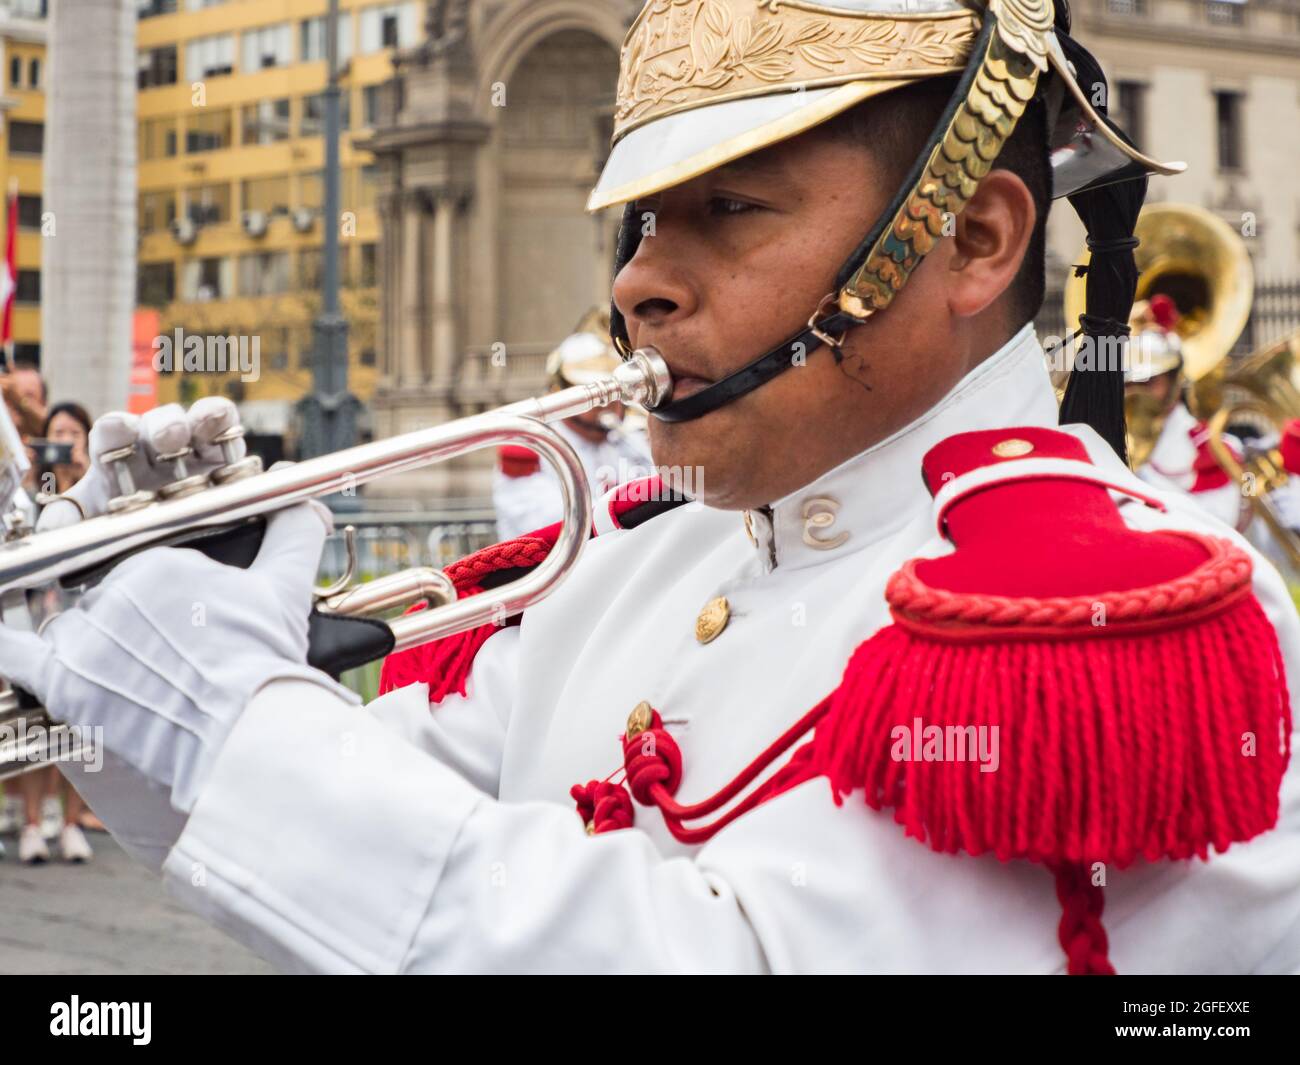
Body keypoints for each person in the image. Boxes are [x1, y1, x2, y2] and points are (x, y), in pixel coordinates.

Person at [1, 0, 1298, 973]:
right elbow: (382, 801)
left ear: (974, 236)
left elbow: (741, 955)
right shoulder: (637, 562)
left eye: (728, 210)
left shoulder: (1116, 615)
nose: (636, 282)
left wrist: (235, 721)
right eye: (642, 220)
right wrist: (125, 668)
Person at [9, 401, 99, 863]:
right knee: (33, 724)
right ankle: (30, 823)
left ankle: (69, 822)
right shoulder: (31, 490)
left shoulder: (95, 487)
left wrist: (84, 474)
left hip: (87, 617)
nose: (63, 443)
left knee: (78, 726)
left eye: (73, 434)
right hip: (37, 618)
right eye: (56, 434)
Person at [492, 308, 652, 539]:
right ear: (562, 393)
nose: (610, 403)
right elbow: (544, 524)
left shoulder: (633, 440)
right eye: (597, 394)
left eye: (616, 392)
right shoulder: (531, 451)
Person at [1124, 295, 1249, 529]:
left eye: (1150, 381)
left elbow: (1221, 523)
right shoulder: (1106, 443)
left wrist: (1147, 480)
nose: (1138, 392)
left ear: (1174, 380)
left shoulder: (1214, 447)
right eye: (1130, 383)